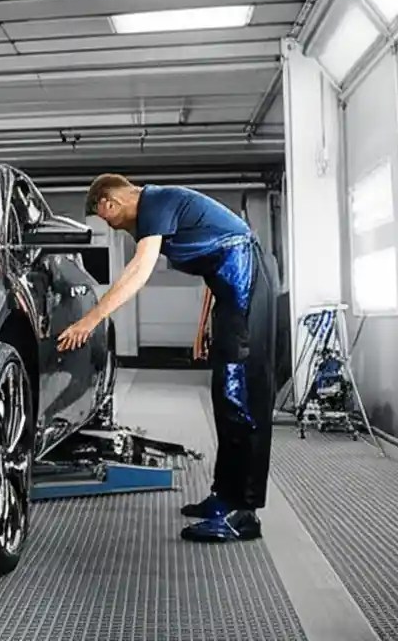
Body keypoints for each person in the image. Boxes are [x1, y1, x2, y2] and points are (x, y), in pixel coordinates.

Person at [56, 174, 276, 543]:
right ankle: (224, 498)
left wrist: (90, 320)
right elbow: (216, 268)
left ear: (108, 203)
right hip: (232, 295)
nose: (111, 225)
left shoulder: (156, 202)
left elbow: (140, 270)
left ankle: (245, 513)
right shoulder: (165, 207)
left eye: (105, 218)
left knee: (243, 401)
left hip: (247, 291)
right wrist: (206, 327)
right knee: (225, 399)